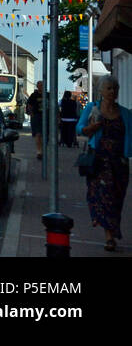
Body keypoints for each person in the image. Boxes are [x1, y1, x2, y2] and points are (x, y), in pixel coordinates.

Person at [78, 77, 132, 252]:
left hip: (120, 163)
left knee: (117, 198)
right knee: (105, 195)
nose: (112, 92)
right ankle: (109, 236)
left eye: (115, 88)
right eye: (108, 88)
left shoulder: (125, 113)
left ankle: (111, 228)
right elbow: (80, 128)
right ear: (101, 91)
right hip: (99, 161)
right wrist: (90, 128)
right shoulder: (92, 108)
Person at [26, 81, 44, 160]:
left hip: (46, 117)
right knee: (38, 134)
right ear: (37, 86)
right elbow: (29, 105)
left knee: (44, 136)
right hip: (37, 116)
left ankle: (42, 150)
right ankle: (39, 151)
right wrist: (32, 114)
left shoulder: (48, 95)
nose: (41, 87)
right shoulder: (34, 95)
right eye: (40, 85)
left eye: (42, 85)